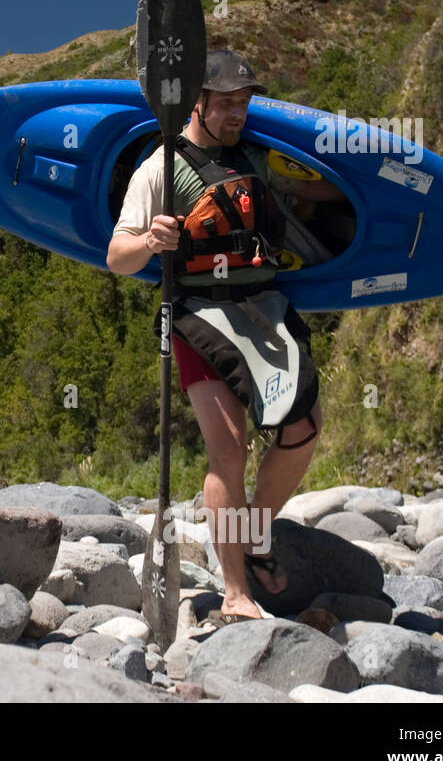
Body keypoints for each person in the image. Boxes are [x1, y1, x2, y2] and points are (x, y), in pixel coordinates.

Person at [107, 49, 346, 623]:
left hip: (261, 306)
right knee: (229, 448)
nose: (239, 112)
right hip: (199, 315)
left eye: (245, 102)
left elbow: (324, 193)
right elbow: (118, 256)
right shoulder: (161, 168)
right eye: (228, 103)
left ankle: (254, 533)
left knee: (303, 429)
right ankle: (236, 592)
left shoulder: (257, 157)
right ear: (198, 102)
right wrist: (152, 240)